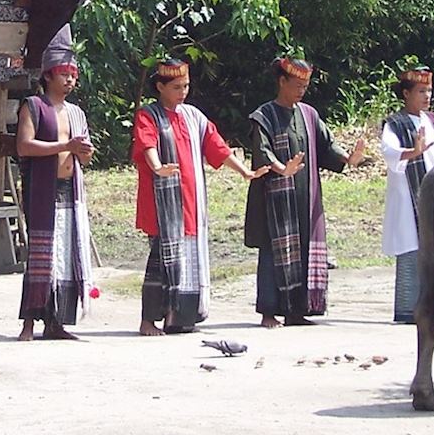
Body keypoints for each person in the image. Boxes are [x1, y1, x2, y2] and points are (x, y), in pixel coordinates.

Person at [134, 58, 265, 336]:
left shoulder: (193, 116)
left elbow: (216, 146)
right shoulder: (149, 115)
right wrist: (158, 167)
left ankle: (178, 317)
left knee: (188, 259)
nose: (183, 92)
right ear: (160, 87)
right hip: (164, 205)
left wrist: (245, 172)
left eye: (186, 86)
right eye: (177, 87)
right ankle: (148, 320)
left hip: (192, 203)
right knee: (161, 260)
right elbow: (147, 143)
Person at [245, 56, 366, 328]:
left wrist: (349, 159)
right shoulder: (263, 115)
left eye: (305, 85)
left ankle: (297, 311)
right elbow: (261, 151)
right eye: (297, 84)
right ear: (282, 81)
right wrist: (281, 168)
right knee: (272, 254)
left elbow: (327, 146)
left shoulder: (309, 115)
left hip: (305, 196)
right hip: (275, 200)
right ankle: (268, 312)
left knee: (304, 252)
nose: (301, 90)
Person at [15, 24, 98, 341]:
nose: (70, 79)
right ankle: (29, 323)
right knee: (41, 256)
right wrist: (65, 147)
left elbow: (84, 156)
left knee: (64, 256)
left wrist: (82, 152)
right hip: (42, 190)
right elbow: (24, 146)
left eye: (73, 74)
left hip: (69, 190)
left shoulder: (77, 113)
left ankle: (57, 321)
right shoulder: (33, 106)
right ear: (48, 75)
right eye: (64, 73)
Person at [381, 61, 434, 324]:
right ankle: (409, 309)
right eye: (421, 91)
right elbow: (389, 152)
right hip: (409, 199)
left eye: (429, 91)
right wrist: (412, 152)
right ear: (406, 93)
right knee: (412, 248)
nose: (427, 96)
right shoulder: (394, 124)